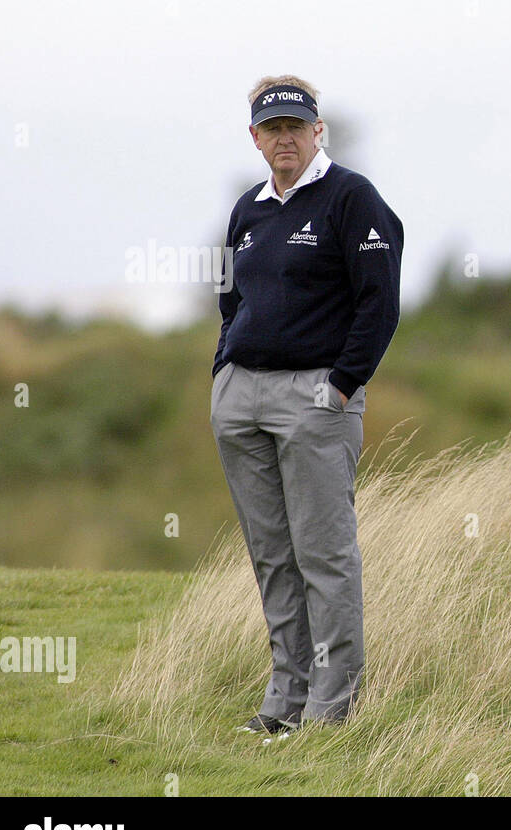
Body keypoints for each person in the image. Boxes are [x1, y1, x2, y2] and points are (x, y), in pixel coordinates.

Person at [210, 74, 402, 741]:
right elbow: (230, 295)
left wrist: (344, 382)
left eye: (296, 126)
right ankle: (284, 700)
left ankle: (332, 707)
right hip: (243, 397)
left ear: (317, 131)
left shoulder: (352, 198)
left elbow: (380, 302)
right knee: (272, 554)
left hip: (317, 394)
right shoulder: (249, 209)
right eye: (273, 128)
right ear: (256, 138)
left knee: (324, 554)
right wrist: (223, 368)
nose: (284, 138)